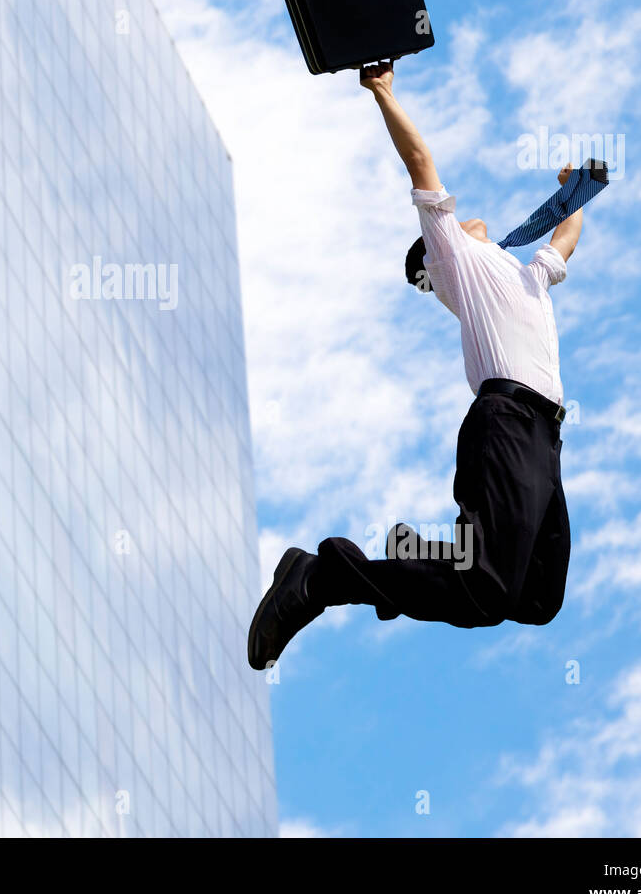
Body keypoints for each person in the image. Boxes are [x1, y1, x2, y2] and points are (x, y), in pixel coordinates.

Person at [248, 60, 583, 670]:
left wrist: (573, 193)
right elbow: (421, 162)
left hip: (544, 436)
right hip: (505, 420)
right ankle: (321, 579)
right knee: (487, 588)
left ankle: (425, 550)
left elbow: (563, 243)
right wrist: (382, 91)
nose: (473, 217)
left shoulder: (521, 274)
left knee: (537, 596)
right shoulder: (456, 260)